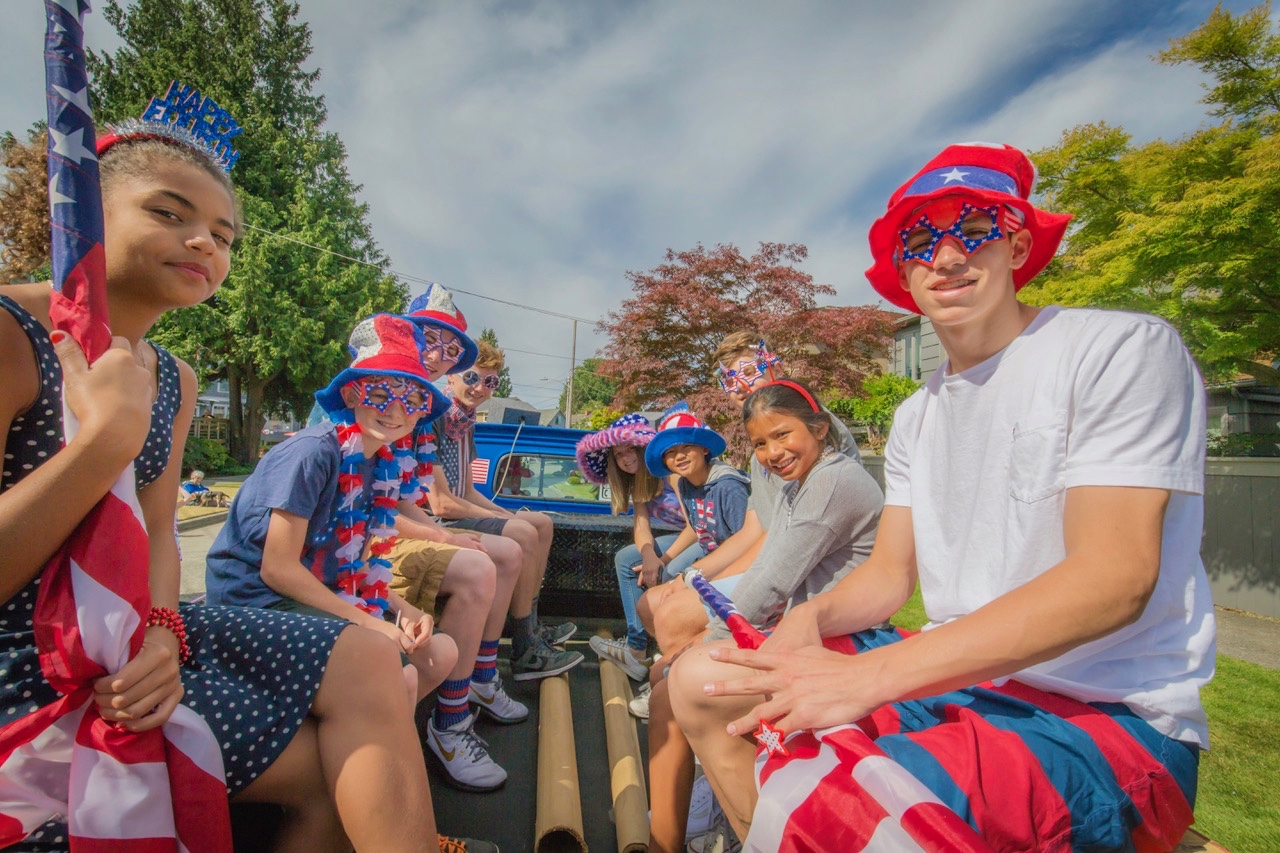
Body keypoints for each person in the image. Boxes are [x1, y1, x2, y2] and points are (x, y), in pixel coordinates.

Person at [669, 142, 1215, 852]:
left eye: (977, 227)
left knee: (844, 804)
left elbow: (1113, 581)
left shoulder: (1120, 348)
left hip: (1109, 713)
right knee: (702, 678)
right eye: (922, 239)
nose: (948, 255)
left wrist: (866, 678)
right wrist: (811, 618)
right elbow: (891, 575)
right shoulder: (916, 414)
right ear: (902, 270)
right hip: (958, 680)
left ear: (1018, 242)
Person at [0, 94, 491, 850]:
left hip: (145, 638)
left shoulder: (176, 378)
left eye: (223, 235)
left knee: (369, 656)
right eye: (168, 213)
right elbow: (275, 565)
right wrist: (102, 445)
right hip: (25, 658)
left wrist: (162, 635)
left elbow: (162, 536)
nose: (202, 241)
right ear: (85, 214)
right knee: (342, 755)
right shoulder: (11, 335)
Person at [647, 381, 883, 852]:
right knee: (663, 693)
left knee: (683, 681)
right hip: (801, 628)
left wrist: (704, 641)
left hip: (838, 638)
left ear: (818, 428)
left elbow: (772, 581)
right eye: (759, 443)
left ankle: (760, 835)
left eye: (782, 435)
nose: (772, 452)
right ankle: (669, 839)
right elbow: (771, 558)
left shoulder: (833, 482)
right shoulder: (801, 482)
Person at [206, 313, 458, 710]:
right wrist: (371, 623)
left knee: (438, 654)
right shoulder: (313, 453)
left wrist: (401, 608)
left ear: (421, 412)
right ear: (355, 395)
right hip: (252, 602)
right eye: (380, 395)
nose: (395, 410)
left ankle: (365, 734)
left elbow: (350, 567)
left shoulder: (382, 463)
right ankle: (354, 752)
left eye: (412, 400)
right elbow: (277, 568)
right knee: (393, 667)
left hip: (317, 593)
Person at [393, 286, 531, 792]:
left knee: (511, 542)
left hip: (384, 534)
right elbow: (425, 502)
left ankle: (484, 672)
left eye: (452, 348)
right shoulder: (393, 400)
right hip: (355, 549)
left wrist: (440, 531)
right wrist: (441, 531)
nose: (439, 354)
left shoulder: (423, 410)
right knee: (486, 559)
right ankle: (451, 721)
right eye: (429, 339)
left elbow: (400, 497)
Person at [427, 341, 584, 681]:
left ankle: (533, 626)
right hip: (435, 519)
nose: (480, 388)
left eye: (490, 382)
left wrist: (506, 514)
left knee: (540, 523)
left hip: (458, 510)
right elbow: (441, 502)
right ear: (451, 378)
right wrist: (507, 521)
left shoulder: (465, 424)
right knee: (521, 531)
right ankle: (524, 646)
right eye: (472, 377)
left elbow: (467, 491)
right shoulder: (433, 418)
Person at [573, 413, 687, 676]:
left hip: (707, 539)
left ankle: (672, 652)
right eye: (618, 454)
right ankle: (637, 651)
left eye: (631, 450)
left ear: (645, 448)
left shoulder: (671, 474)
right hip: (685, 538)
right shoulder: (639, 482)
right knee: (627, 559)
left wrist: (663, 560)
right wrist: (648, 554)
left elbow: (697, 527)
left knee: (669, 573)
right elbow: (641, 526)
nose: (626, 458)